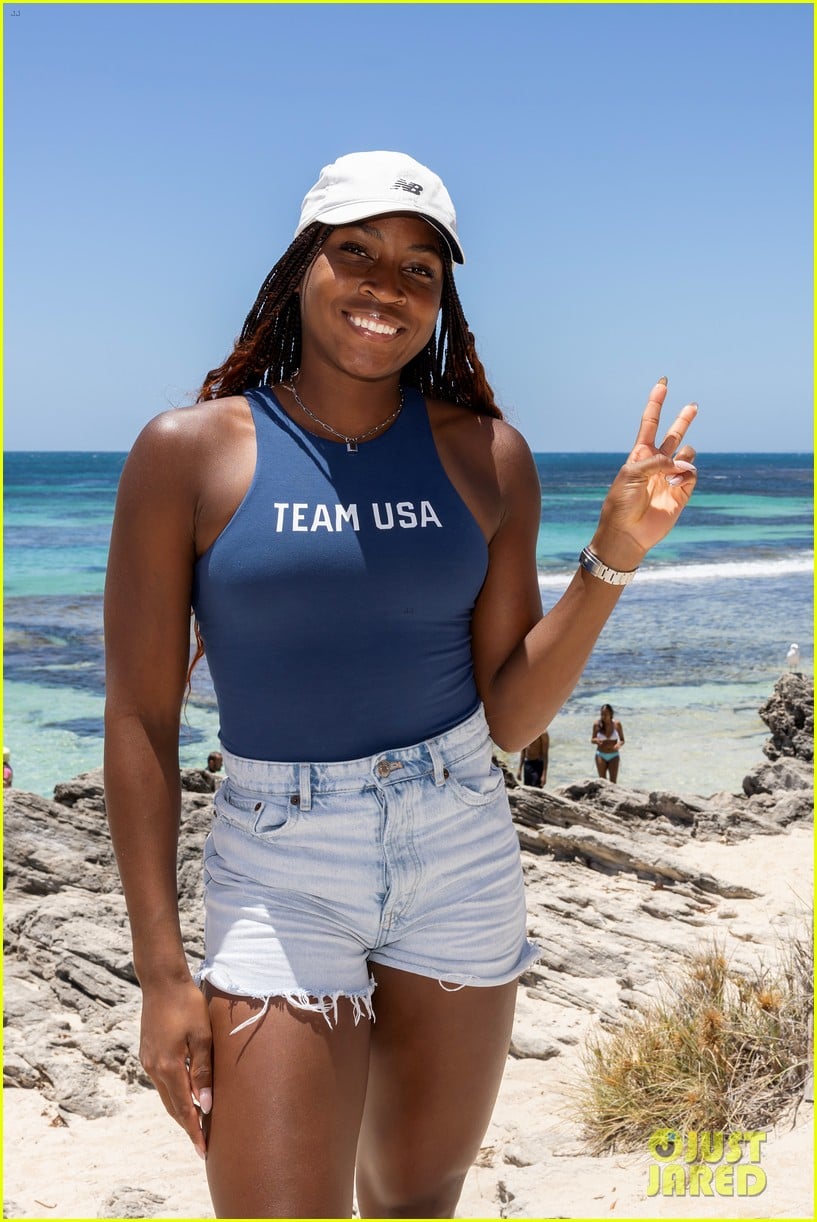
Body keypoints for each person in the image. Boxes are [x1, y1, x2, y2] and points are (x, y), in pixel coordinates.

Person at [103, 150, 698, 1219]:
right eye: (356, 252)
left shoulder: (487, 456)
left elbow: (510, 712)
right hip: (278, 863)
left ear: (442, 298)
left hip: (460, 846)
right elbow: (142, 719)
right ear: (301, 268)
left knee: (416, 1203)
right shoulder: (191, 452)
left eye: (421, 268)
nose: (388, 286)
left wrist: (614, 553)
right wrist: (161, 973)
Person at [592, 703, 625, 782]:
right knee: (602, 782)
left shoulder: (617, 724)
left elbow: (622, 740)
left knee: (613, 782)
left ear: (611, 713)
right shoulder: (597, 724)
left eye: (606, 714)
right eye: (602, 714)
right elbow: (592, 739)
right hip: (601, 754)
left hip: (614, 755)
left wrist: (618, 744)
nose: (604, 716)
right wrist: (596, 741)